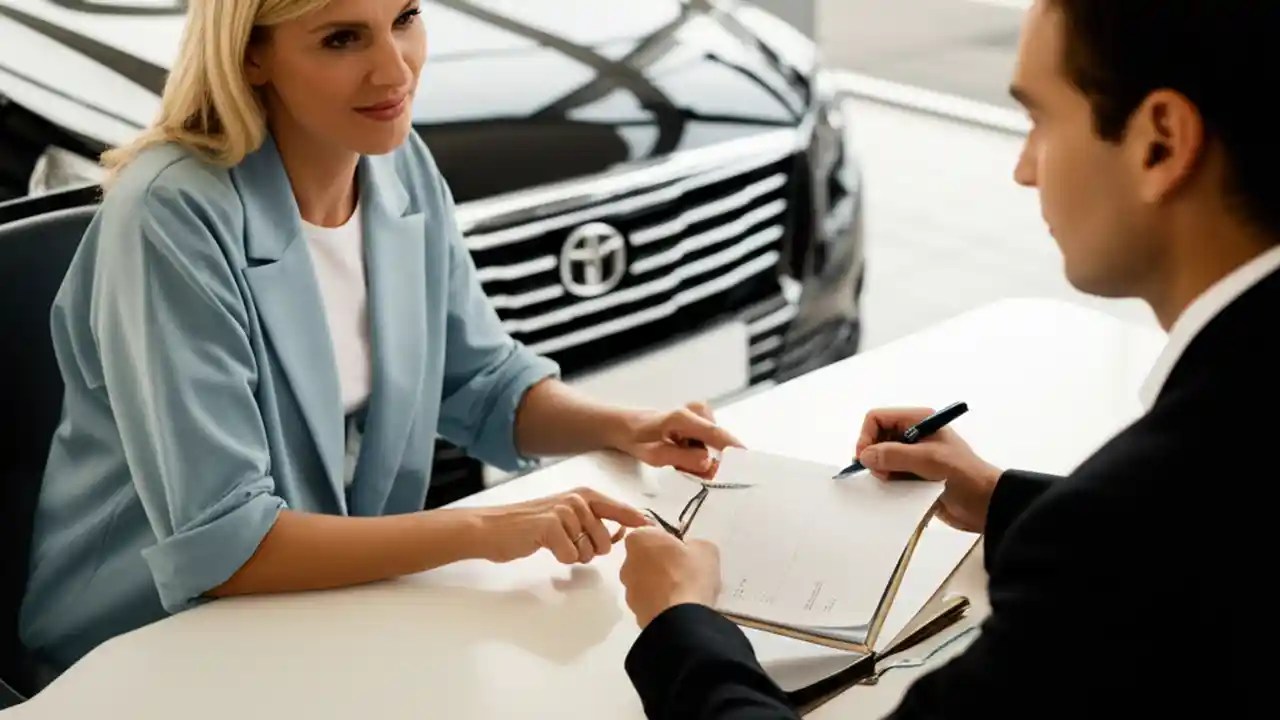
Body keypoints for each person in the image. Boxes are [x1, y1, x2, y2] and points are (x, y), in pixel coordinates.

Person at [18, 0, 741, 681]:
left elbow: (481, 381)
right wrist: (486, 530)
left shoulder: (396, 162)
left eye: (403, 18)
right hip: (145, 648)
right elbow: (224, 545)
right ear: (252, 55)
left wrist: (626, 425)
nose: (395, 70)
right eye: (342, 38)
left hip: (328, 614)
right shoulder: (168, 214)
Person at [618, 0, 1269, 716]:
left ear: (1161, 143)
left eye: (1040, 120)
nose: (1024, 171)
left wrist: (680, 625)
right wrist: (997, 497)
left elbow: (1145, 542)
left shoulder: (1116, 529)